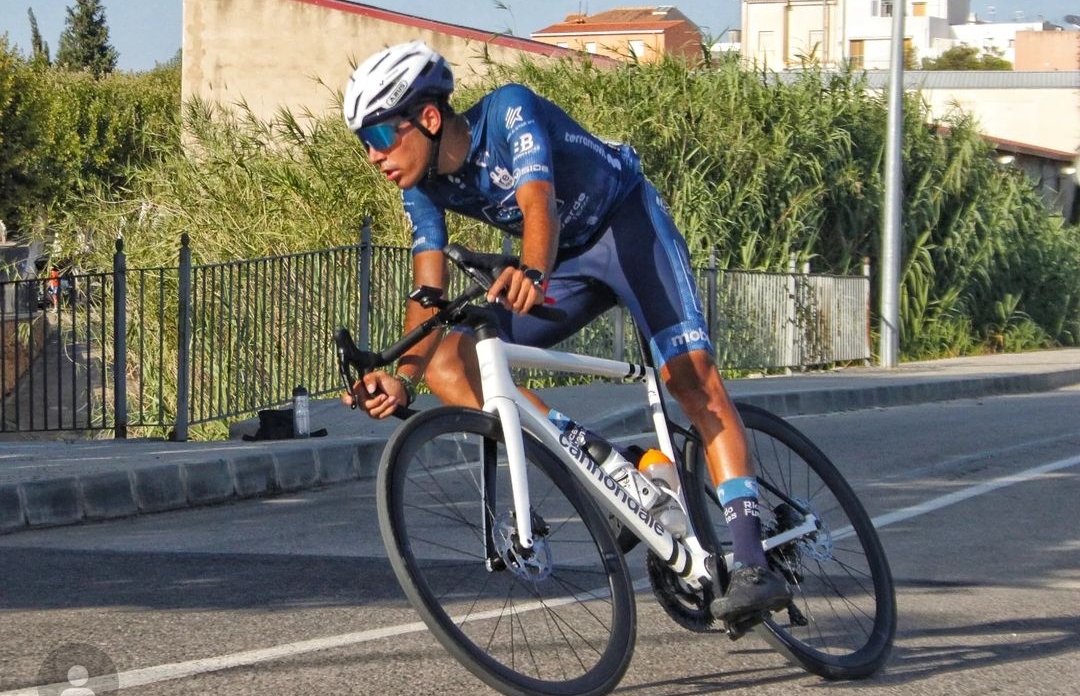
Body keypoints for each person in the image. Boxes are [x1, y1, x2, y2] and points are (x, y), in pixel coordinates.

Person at [341, 40, 791, 626]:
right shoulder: (419, 187)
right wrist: (404, 376)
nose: (374, 155)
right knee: (450, 362)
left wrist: (531, 268)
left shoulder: (507, 110)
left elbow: (538, 203)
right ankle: (615, 468)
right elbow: (429, 293)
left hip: (626, 231)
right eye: (364, 144)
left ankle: (755, 562)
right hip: (565, 265)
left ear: (427, 118)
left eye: (379, 136)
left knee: (691, 381)